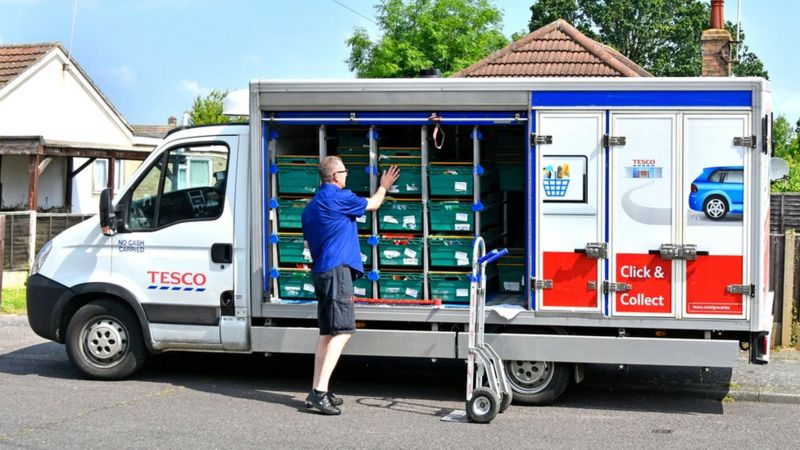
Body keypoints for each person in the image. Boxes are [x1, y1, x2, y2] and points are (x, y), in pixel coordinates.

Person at [301, 155, 400, 415]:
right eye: (344, 172)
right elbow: (374, 204)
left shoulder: (311, 207)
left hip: (321, 271)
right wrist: (384, 185)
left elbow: (309, 243)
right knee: (344, 331)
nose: (347, 175)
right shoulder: (339, 197)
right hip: (337, 271)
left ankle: (317, 390)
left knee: (326, 333)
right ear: (335, 176)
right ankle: (319, 392)